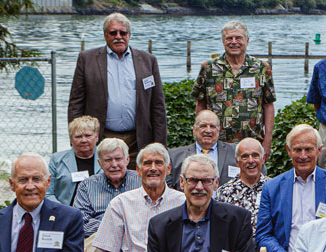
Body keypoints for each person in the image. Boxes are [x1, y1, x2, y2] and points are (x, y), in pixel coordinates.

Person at [68, 13, 166, 166]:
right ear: (105, 35)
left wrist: (160, 145)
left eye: (123, 32)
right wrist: (76, 139)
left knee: (138, 185)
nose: (118, 36)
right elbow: (76, 104)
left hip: (138, 140)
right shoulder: (87, 60)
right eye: (113, 32)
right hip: (101, 138)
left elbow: (157, 106)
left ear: (129, 35)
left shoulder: (148, 61)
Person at [192, 20, 275, 148]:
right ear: (223, 42)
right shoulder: (208, 68)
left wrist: (268, 141)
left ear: (247, 41)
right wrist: (199, 137)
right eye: (229, 38)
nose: (234, 42)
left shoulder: (261, 68)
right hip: (217, 143)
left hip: (252, 142)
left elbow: (268, 105)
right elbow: (200, 103)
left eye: (239, 38)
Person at [167, 110, 237, 189]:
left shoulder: (236, 152)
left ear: (219, 130)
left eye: (212, 126)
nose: (208, 130)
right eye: (203, 126)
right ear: (194, 130)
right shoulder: (174, 157)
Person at [215, 138, 270, 233]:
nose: (251, 160)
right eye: (245, 157)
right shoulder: (224, 192)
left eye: (255, 155)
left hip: (268, 246)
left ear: (263, 159)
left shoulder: (274, 188)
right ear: (237, 162)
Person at [47, 115, 101, 205]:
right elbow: (48, 193)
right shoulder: (56, 160)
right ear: (71, 139)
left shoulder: (107, 158)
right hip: (65, 212)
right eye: (78, 137)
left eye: (88, 136)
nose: (83, 140)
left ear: (97, 137)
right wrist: (63, 210)